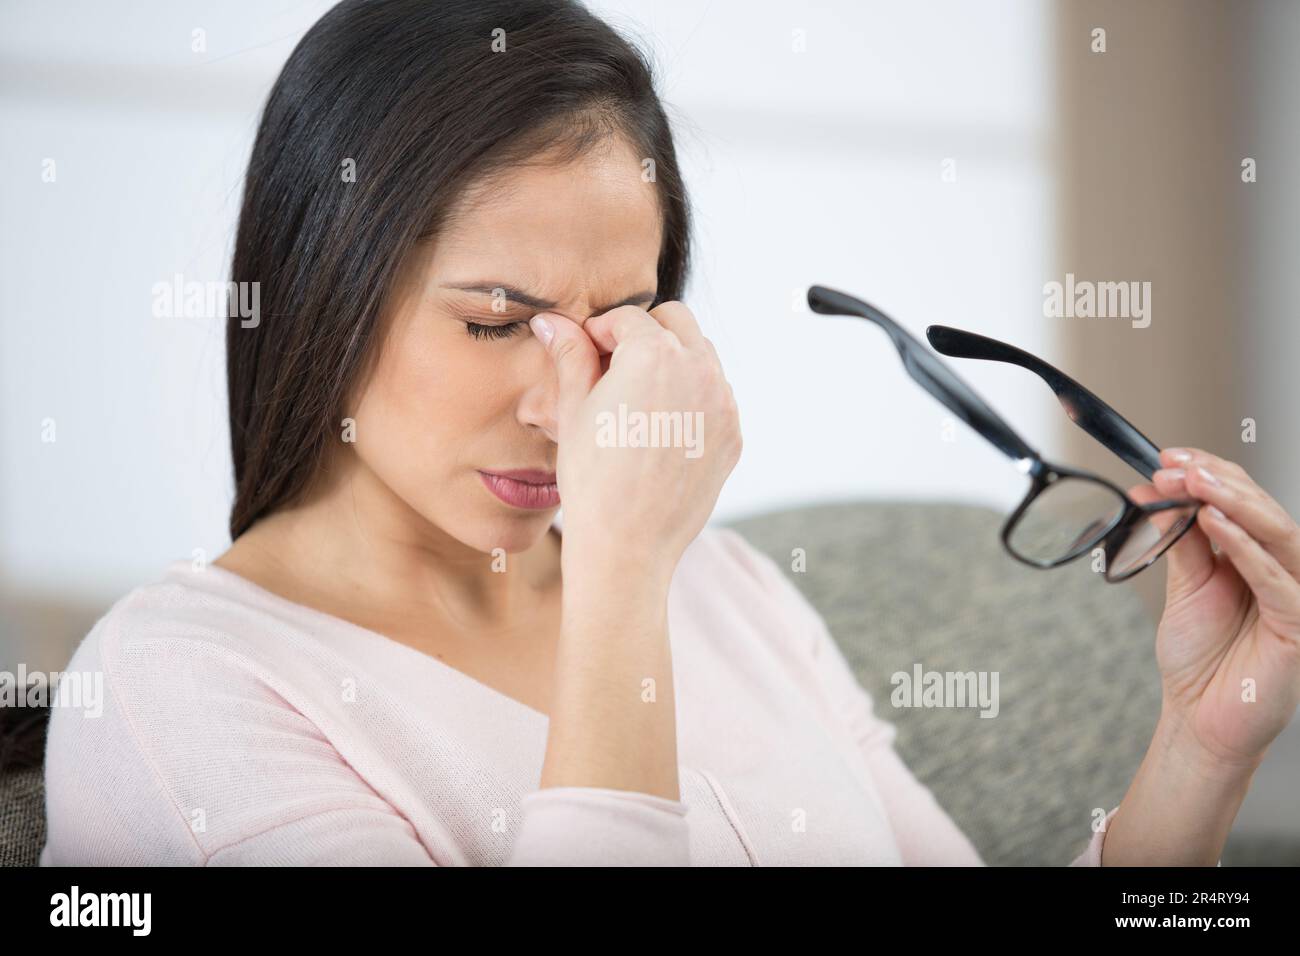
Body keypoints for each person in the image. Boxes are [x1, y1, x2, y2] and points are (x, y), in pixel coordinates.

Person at [40, 0, 1300, 866]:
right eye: (495, 321)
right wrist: (623, 579)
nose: (565, 402)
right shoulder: (175, 692)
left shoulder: (723, 584)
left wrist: (1199, 749)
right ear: (322, 283)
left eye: (621, 323)